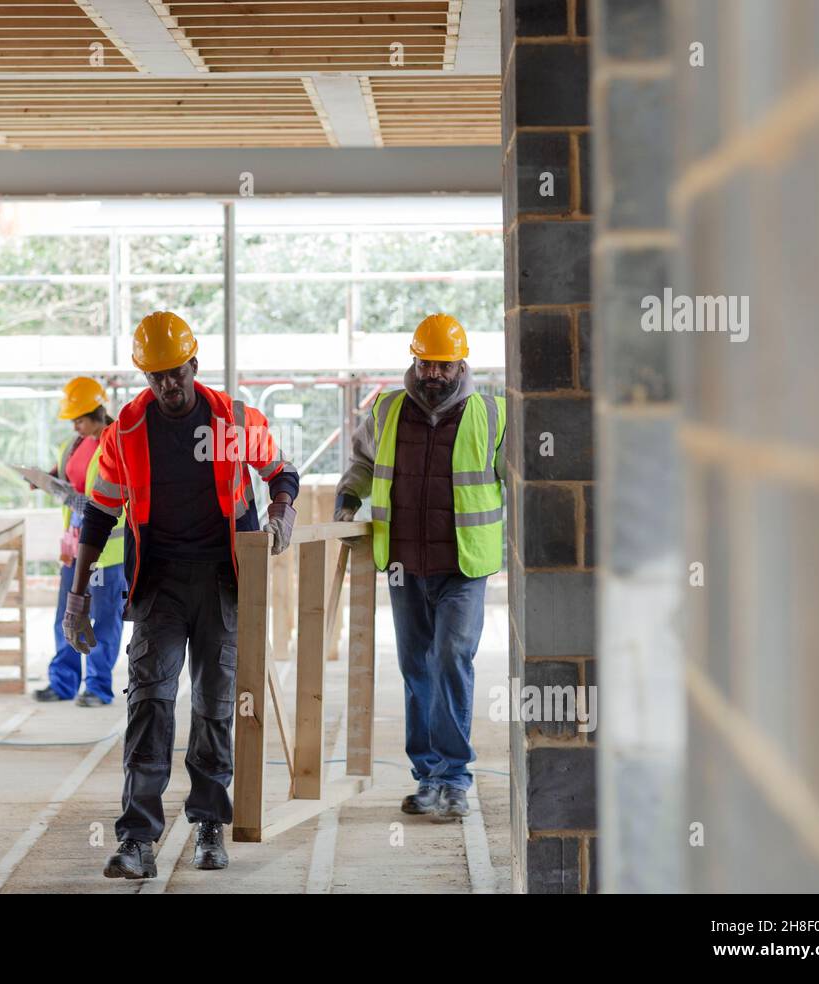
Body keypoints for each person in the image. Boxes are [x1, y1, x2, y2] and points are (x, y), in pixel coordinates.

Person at [63, 311, 299, 879]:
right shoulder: (124, 431)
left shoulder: (233, 419)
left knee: (216, 705)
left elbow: (280, 470)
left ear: (195, 365)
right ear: (145, 376)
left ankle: (209, 825)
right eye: (156, 375)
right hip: (159, 583)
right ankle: (137, 837)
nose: (168, 384)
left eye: (176, 372)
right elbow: (98, 516)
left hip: (223, 579)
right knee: (149, 700)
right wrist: (77, 597)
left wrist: (281, 509)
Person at [333, 314, 506, 821]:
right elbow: (364, 462)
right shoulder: (387, 410)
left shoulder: (491, 415)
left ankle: (454, 778)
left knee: (451, 657)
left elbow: (520, 476)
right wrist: (348, 496)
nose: (433, 374)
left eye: (443, 365)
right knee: (416, 669)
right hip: (403, 565)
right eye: (425, 363)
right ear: (415, 360)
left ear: (461, 365)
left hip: (463, 565)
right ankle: (427, 777)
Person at [32, 377, 126, 708]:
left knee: (103, 619)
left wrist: (70, 497)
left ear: (98, 413)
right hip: (74, 548)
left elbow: (107, 500)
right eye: (73, 420)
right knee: (67, 614)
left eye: (80, 419)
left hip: (108, 552)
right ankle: (63, 683)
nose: (76, 425)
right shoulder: (74, 444)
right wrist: (47, 480)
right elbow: (69, 475)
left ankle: (98, 687)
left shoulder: (118, 445)